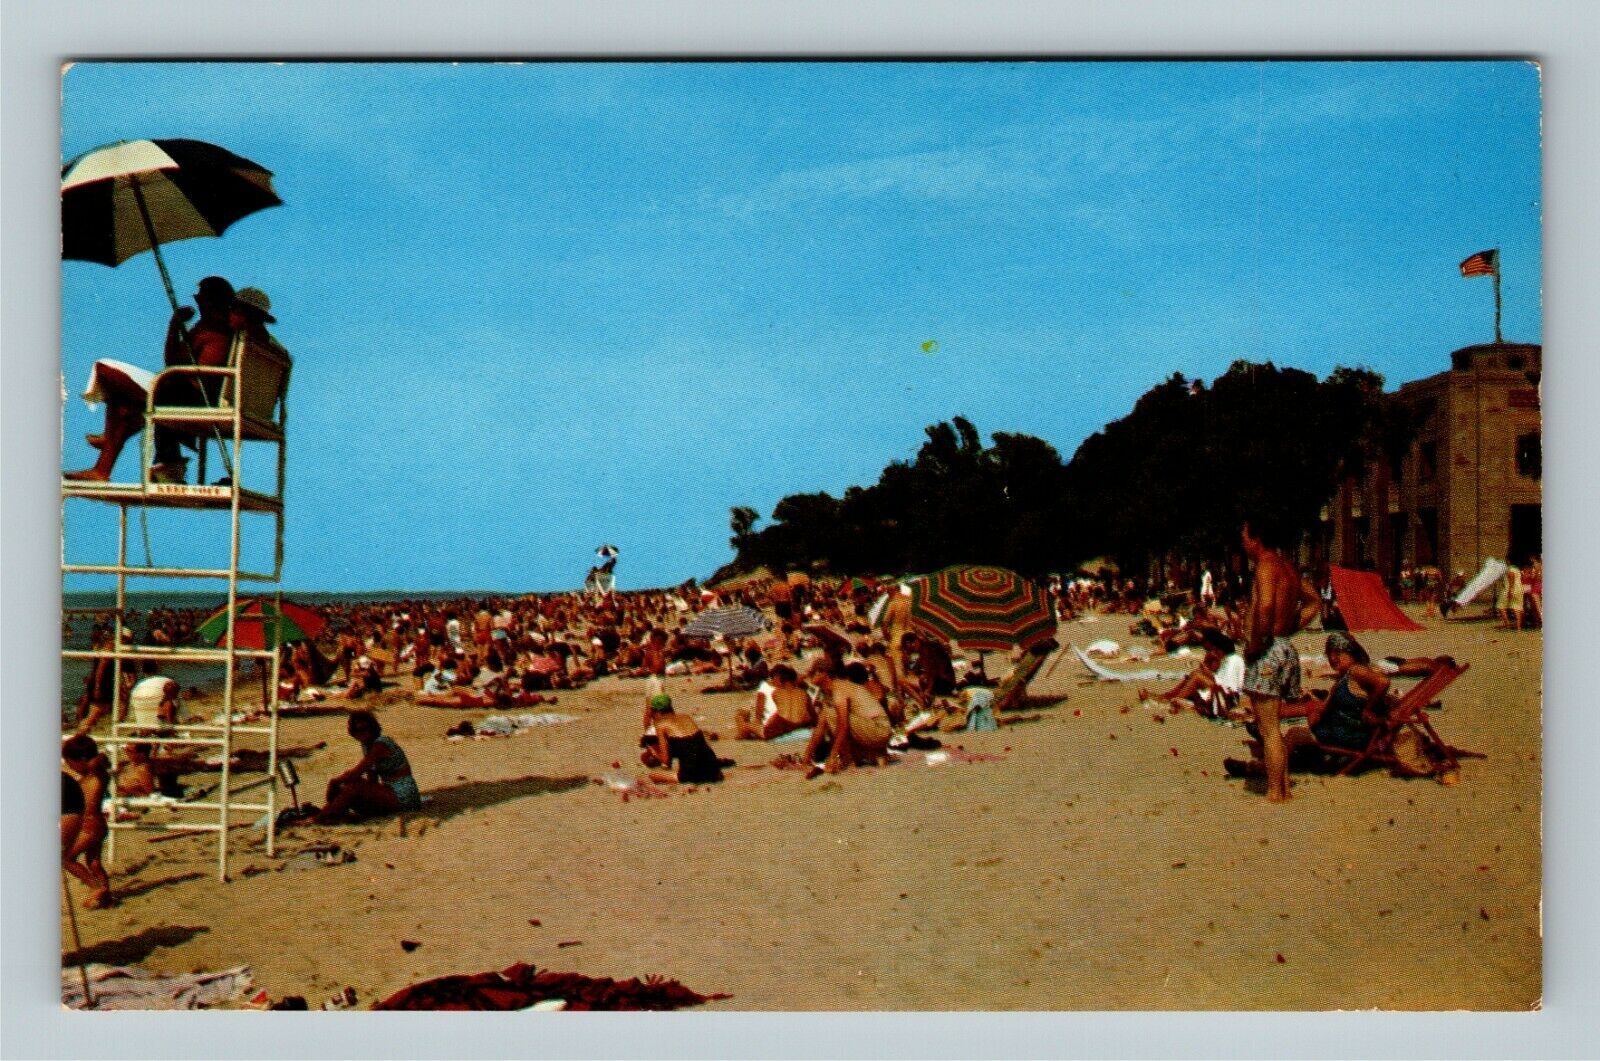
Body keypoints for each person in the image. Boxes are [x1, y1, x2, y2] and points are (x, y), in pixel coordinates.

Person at [66, 276, 236, 483]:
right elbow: (172, 360)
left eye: (202, 299)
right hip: (179, 390)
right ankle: (102, 468)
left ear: (212, 301)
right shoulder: (206, 327)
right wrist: (174, 326)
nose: (199, 304)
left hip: (188, 397)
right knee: (123, 406)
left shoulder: (217, 332)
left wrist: (174, 377)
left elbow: (203, 379)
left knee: (105, 372)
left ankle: (110, 441)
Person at [1240, 519, 1310, 802]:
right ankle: (1284, 788)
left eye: (1243, 536)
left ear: (1256, 538)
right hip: (1285, 648)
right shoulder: (1288, 569)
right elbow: (1314, 601)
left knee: (1267, 729)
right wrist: (1290, 627)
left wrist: (1257, 642)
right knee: (1273, 727)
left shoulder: (1266, 566)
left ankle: (1274, 791)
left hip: (1268, 650)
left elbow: (1266, 604)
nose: (1242, 543)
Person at [317, 711, 422, 822]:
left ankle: (322, 816)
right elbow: (372, 780)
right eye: (358, 730)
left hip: (403, 794)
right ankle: (331, 812)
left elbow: (357, 772)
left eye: (365, 729)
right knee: (351, 786)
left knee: (352, 786)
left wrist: (334, 781)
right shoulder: (367, 746)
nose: (363, 733)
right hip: (389, 791)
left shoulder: (381, 744)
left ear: (372, 728)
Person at [802, 656, 893, 775]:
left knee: (832, 714)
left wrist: (833, 755)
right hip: (874, 729)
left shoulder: (839, 688)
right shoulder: (829, 693)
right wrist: (807, 756)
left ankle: (848, 760)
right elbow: (820, 727)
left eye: (812, 672)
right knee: (828, 714)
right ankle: (876, 754)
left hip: (879, 728)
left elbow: (843, 725)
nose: (809, 676)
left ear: (823, 673)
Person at [1139, 627, 1244, 718]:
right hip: (1220, 693)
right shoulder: (1217, 656)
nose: (1202, 643)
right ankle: (1167, 696)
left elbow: (1226, 685)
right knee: (1196, 674)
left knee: (1197, 676)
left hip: (1228, 699)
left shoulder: (1230, 660)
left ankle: (1171, 701)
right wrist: (1205, 667)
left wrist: (1206, 670)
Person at [61, 734, 113, 909]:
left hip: (91, 826)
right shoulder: (89, 777)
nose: (70, 767)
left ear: (83, 760)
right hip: (94, 825)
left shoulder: (97, 774)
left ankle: (96, 886)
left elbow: (99, 760)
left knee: (66, 858)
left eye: (70, 763)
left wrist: (88, 757)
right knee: (94, 863)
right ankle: (106, 897)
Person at [641, 694, 724, 784]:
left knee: (652, 776)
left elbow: (665, 761)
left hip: (691, 774)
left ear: (655, 712)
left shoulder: (660, 725)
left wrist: (653, 751)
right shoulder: (686, 717)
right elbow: (698, 744)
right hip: (714, 770)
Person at [734, 663, 815, 740]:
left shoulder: (777, 693)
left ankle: (741, 736)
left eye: (773, 679)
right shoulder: (804, 694)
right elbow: (813, 716)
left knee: (746, 725)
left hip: (773, 731)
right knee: (751, 724)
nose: (772, 682)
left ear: (778, 678)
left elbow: (779, 717)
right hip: (795, 726)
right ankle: (747, 732)